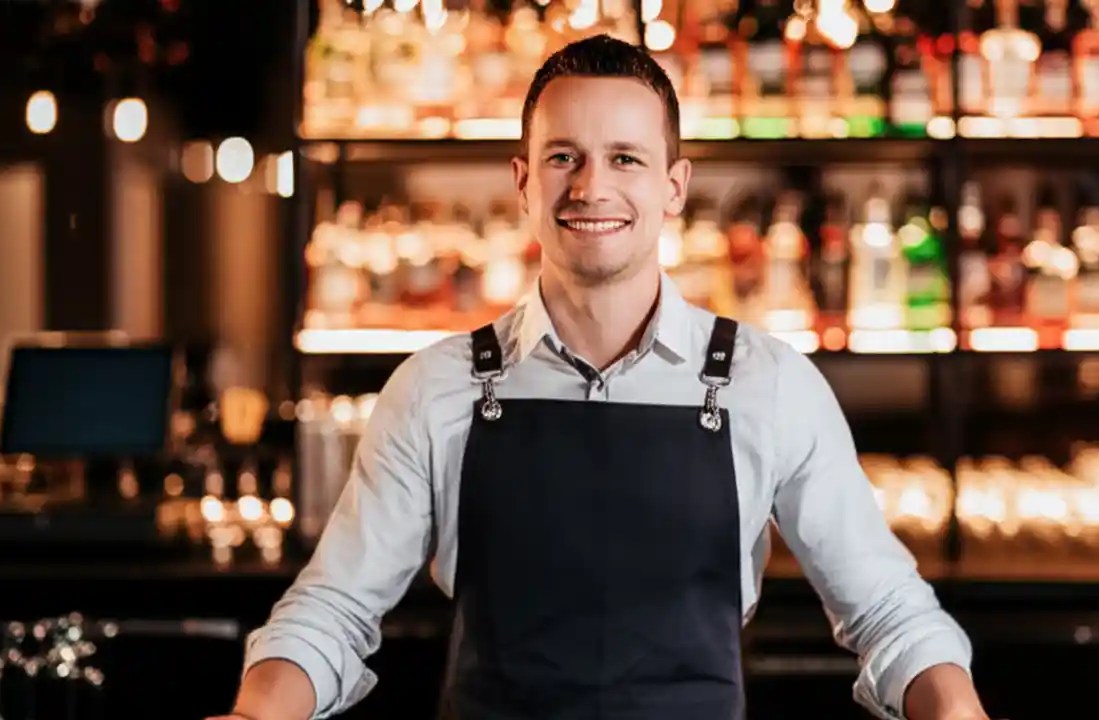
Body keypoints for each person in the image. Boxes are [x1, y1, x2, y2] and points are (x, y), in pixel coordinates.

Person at [212, 34, 988, 720]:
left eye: (625, 158)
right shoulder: (436, 389)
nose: (590, 187)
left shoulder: (769, 384)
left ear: (674, 187)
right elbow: (335, 609)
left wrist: (956, 710)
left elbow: (888, 609)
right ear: (522, 182)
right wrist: (256, 713)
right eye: (563, 157)